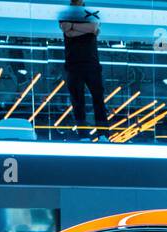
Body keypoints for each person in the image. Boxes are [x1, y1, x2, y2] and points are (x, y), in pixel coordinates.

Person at [59, 0, 109, 140]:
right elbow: (67, 30)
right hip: (74, 65)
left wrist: (74, 27)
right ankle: (84, 135)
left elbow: (92, 28)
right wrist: (86, 29)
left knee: (98, 100)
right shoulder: (66, 14)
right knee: (78, 101)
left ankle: (103, 135)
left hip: (90, 64)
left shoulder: (91, 13)